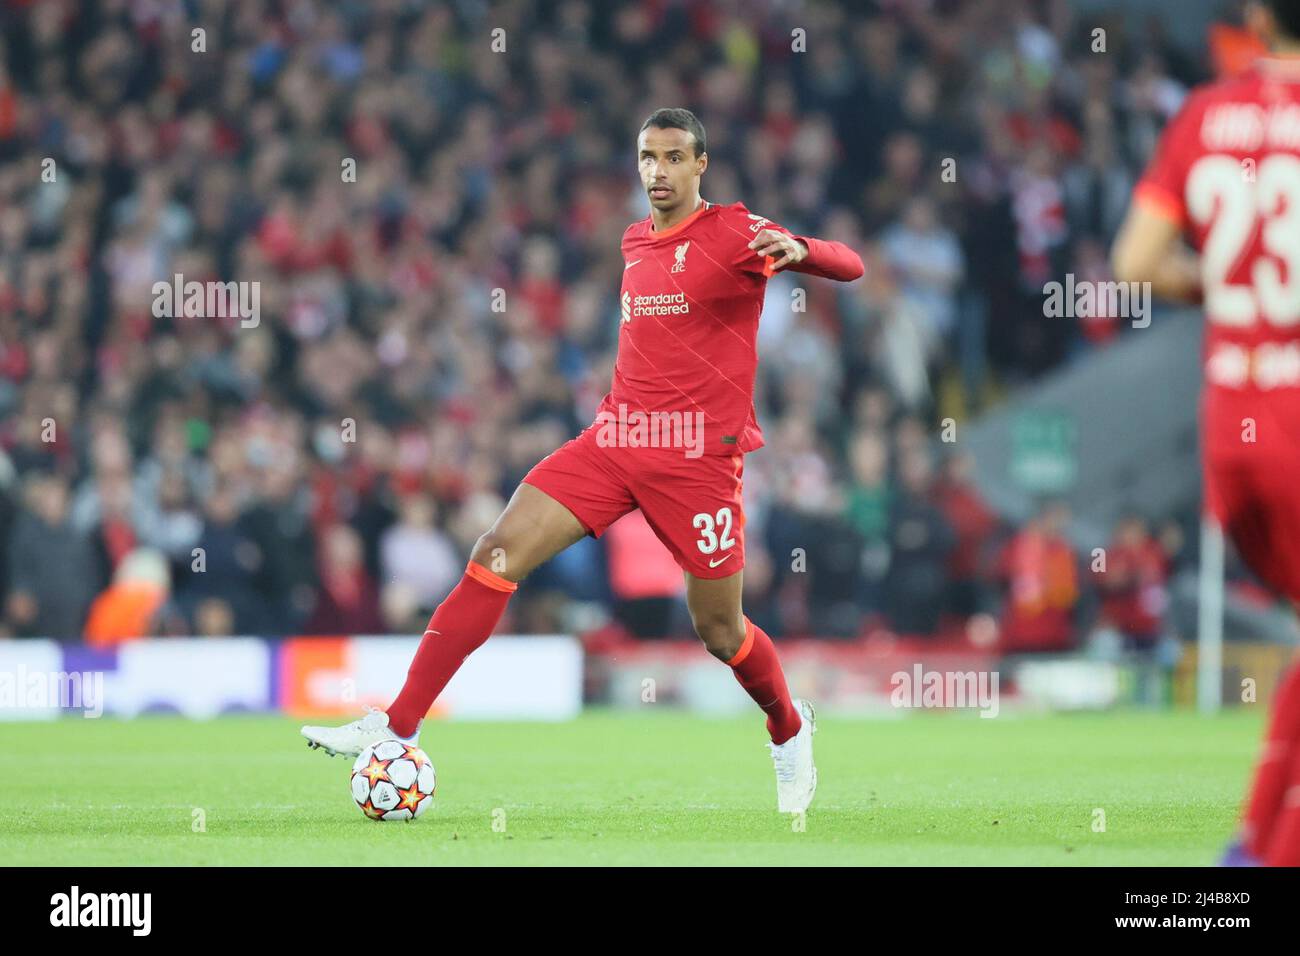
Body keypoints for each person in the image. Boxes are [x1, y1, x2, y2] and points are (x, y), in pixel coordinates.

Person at [301, 108, 864, 814]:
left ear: (700, 165)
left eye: (672, 157)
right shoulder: (634, 241)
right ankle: (397, 725)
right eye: (647, 157)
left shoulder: (734, 232)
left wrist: (801, 250)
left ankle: (788, 728)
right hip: (614, 441)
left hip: (696, 460)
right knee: (497, 550)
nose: (657, 171)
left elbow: (853, 263)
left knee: (721, 631)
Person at [1110, 0, 1300, 866]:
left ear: (1261, 18)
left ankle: (1252, 850)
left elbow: (1135, 263)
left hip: (1230, 425)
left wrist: (1221, 288)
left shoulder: (1202, 114)